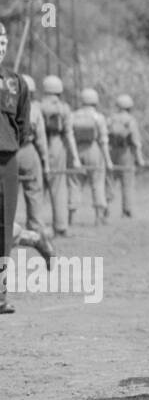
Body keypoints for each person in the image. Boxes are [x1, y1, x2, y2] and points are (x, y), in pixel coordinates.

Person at [0, 23, 32, 315]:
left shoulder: (16, 83)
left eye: (2, 41)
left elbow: (23, 123)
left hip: (7, 160)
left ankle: (0, 295)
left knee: (4, 227)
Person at [16, 74, 55, 260]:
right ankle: (36, 229)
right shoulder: (35, 109)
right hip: (28, 151)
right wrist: (46, 163)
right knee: (34, 191)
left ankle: (12, 226)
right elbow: (41, 139)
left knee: (7, 195)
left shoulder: (5, 104)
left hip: (9, 153)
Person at [39, 75, 80, 236]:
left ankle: (36, 225)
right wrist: (75, 157)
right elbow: (69, 134)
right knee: (59, 187)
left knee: (37, 189)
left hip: (38, 146)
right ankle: (61, 226)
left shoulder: (38, 106)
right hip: (58, 146)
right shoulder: (64, 108)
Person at [69, 88, 111, 226]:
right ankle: (98, 217)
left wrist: (74, 156)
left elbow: (69, 135)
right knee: (97, 183)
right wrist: (108, 160)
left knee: (75, 184)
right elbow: (103, 140)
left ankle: (72, 217)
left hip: (77, 150)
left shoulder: (73, 115)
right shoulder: (99, 117)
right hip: (94, 150)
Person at [106, 94, 146, 218]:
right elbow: (135, 141)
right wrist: (139, 158)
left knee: (109, 181)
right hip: (126, 152)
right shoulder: (130, 120)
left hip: (111, 151)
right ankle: (127, 210)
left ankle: (104, 206)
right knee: (127, 182)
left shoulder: (110, 119)